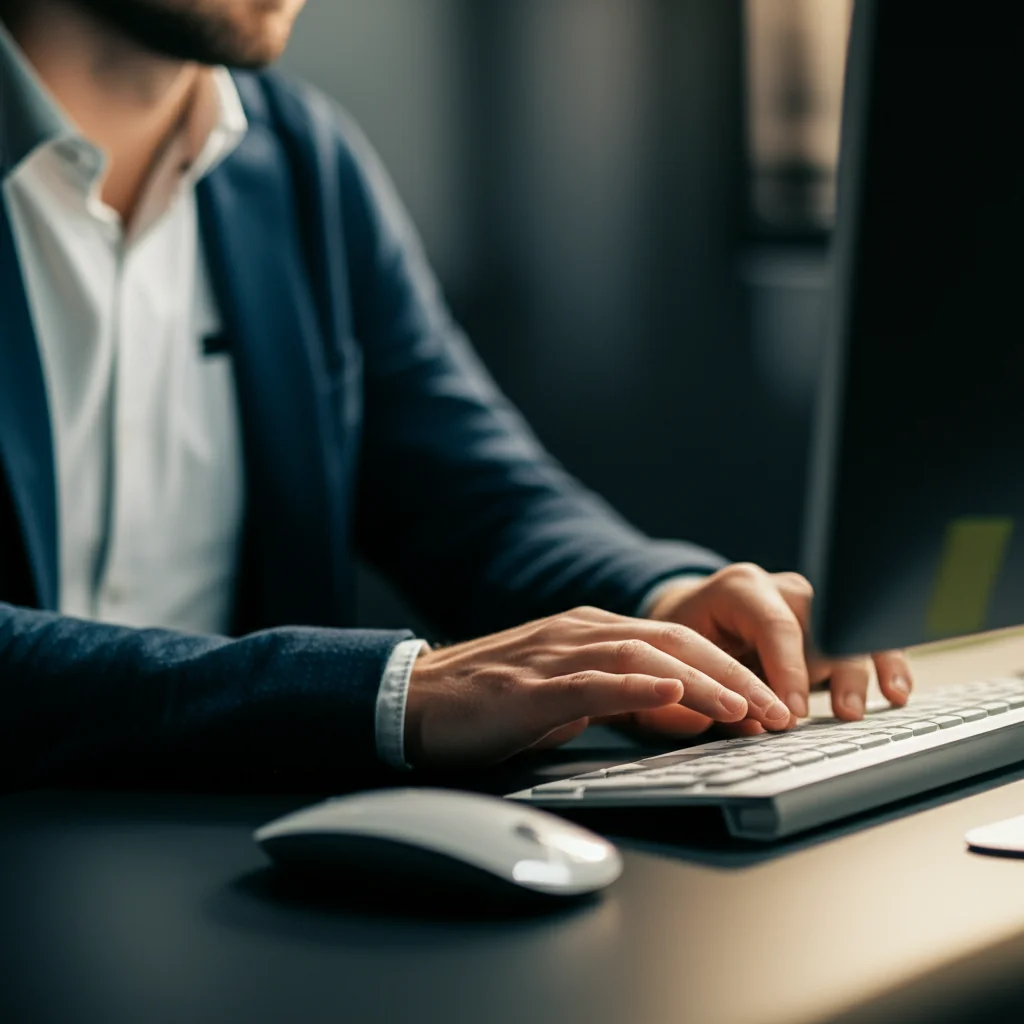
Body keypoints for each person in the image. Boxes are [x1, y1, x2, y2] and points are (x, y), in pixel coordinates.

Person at [0, 0, 912, 790]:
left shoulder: (303, 163)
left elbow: (475, 492)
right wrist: (388, 692)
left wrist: (662, 606)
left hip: (221, 865)